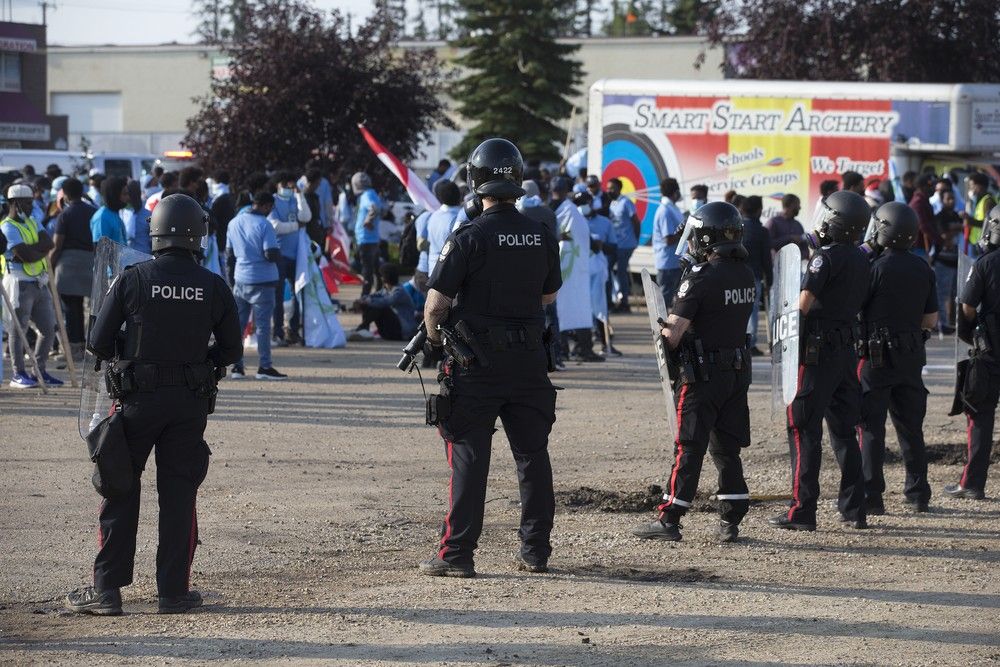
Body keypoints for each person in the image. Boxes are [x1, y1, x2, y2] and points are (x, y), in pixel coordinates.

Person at [65, 194, 242, 616]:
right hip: (189, 406)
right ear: (198, 234)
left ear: (156, 231)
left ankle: (107, 592)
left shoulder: (133, 278)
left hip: (135, 403)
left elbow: (97, 343)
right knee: (179, 497)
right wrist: (200, 366)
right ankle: (174, 593)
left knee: (119, 490)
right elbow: (232, 349)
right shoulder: (213, 285)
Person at [420, 138, 561, 577]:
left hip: (476, 366)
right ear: (516, 180)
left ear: (475, 181)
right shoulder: (540, 233)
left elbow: (436, 304)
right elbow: (549, 294)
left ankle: (457, 554)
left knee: (468, 456)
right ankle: (535, 550)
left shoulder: (469, 236)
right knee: (533, 455)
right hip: (529, 363)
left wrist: (437, 341)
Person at [632, 201, 755, 543]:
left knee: (689, 446)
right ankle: (731, 521)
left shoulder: (701, 278)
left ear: (707, 237)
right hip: (736, 372)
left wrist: (663, 334)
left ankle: (670, 517)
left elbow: (673, 333)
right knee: (727, 448)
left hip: (702, 377)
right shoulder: (745, 273)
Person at [770, 190, 872, 531]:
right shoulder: (862, 259)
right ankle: (854, 509)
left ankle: (802, 511)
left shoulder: (823, 259)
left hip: (817, 352)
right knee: (845, 432)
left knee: (803, 428)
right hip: (846, 351)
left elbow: (802, 305)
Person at [857, 202, 938, 514]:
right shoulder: (923, 268)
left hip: (875, 357)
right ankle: (918, 494)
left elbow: (857, 308)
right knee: (910, 428)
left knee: (871, 428)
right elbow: (930, 320)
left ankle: (872, 497)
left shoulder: (874, 268)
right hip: (911, 354)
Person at [946, 205, 1000, 500]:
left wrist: (971, 334)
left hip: (990, 353)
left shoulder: (985, 263)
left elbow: (966, 308)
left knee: (979, 417)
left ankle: (972, 483)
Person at [1, 184, 62, 388]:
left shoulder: (32, 221)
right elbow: (25, 256)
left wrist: (33, 252)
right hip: (19, 282)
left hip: (39, 281)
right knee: (18, 330)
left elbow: (49, 244)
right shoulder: (7, 226)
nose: (31, 206)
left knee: (48, 328)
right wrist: (36, 252)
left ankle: (39, 371)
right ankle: (18, 374)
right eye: (27, 202)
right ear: (15, 203)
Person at [226, 191, 287, 381]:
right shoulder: (265, 224)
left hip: (240, 279)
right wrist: (279, 254)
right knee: (262, 327)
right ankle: (264, 367)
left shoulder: (233, 222)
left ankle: (237, 366)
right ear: (267, 206)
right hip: (263, 280)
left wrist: (232, 280)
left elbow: (229, 255)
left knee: (239, 326)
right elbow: (270, 254)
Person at [551, 176, 601, 362]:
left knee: (563, 310)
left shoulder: (552, 210)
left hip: (563, 269)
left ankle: (567, 348)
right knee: (575, 307)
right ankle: (579, 348)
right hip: (571, 270)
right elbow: (582, 238)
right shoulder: (569, 212)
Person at [49, 177, 96, 361]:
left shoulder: (65, 215)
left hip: (67, 265)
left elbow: (57, 245)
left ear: (65, 194)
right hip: (88, 262)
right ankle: (86, 345)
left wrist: (50, 267)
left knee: (70, 307)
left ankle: (73, 349)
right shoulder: (93, 211)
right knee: (85, 309)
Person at [268, 171, 311, 346]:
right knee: (278, 296)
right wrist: (296, 226)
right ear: (278, 185)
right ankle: (277, 331)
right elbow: (275, 226)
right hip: (279, 255)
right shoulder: (272, 201)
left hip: (296, 256)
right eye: (285, 185)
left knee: (297, 294)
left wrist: (300, 196)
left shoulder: (295, 199)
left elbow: (306, 217)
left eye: (290, 185)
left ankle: (293, 330)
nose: (288, 188)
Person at [577, 190, 617, 355]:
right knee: (581, 309)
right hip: (578, 273)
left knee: (601, 306)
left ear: (591, 203)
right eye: (579, 204)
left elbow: (613, 247)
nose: (582, 207)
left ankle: (605, 343)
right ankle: (582, 347)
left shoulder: (604, 222)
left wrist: (600, 245)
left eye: (584, 203)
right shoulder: (572, 221)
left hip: (598, 271)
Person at [349, 263, 416, 342]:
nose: (380, 278)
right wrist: (362, 300)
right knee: (369, 303)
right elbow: (373, 296)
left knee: (380, 306)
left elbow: (387, 301)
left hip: (402, 332)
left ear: (385, 277)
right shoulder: (386, 290)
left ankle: (362, 328)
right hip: (389, 331)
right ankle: (364, 329)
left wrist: (368, 301)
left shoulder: (399, 291)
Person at [740, 196, 772, 356]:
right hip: (754, 276)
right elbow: (766, 258)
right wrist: (770, 280)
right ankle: (750, 343)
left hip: (735, 275)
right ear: (759, 210)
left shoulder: (737, 227)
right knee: (752, 310)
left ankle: (737, 340)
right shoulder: (762, 231)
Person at [607, 178, 640, 312]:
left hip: (626, 244)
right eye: (608, 188)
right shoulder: (612, 203)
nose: (609, 190)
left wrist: (635, 240)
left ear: (619, 189)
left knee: (621, 271)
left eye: (612, 188)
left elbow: (636, 222)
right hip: (614, 243)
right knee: (607, 268)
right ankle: (610, 300)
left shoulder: (626, 202)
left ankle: (624, 302)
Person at [651, 177, 684, 308]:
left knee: (675, 300)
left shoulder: (672, 208)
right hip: (667, 263)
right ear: (675, 192)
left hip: (675, 261)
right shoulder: (665, 210)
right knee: (664, 302)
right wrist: (685, 233)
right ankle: (660, 328)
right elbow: (668, 239)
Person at [932, 189, 962, 333]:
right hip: (943, 261)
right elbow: (943, 235)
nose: (951, 201)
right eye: (948, 198)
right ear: (942, 200)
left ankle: (951, 322)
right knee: (942, 294)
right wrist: (956, 228)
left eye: (952, 198)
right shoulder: (940, 217)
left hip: (957, 260)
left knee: (956, 294)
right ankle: (941, 324)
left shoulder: (956, 215)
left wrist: (955, 228)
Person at [352, 171, 382, 297]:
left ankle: (365, 295)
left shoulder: (366, 196)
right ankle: (378, 292)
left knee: (367, 270)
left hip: (366, 239)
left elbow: (373, 208)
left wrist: (368, 220)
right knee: (374, 269)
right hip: (372, 238)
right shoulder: (372, 193)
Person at [425, 179, 463, 280]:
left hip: (433, 271)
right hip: (449, 273)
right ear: (459, 196)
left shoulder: (433, 216)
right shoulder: (459, 218)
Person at [765, 194, 808, 259]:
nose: (799, 207)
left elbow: (805, 247)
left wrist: (802, 256)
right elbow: (767, 244)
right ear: (790, 205)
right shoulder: (773, 222)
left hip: (796, 266)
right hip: (778, 265)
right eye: (797, 204)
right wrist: (789, 238)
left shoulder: (798, 225)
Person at [909, 173, 941, 257]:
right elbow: (923, 226)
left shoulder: (924, 200)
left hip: (923, 247)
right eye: (931, 185)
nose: (934, 188)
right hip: (919, 247)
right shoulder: (918, 202)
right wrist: (938, 239)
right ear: (923, 187)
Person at [963, 172, 996, 253]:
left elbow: (990, 225)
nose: (971, 188)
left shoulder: (988, 202)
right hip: (977, 243)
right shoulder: (981, 200)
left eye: (972, 185)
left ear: (980, 186)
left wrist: (971, 221)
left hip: (982, 245)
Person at [90, 177, 128, 244]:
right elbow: (100, 250)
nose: (128, 197)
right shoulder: (102, 218)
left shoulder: (114, 214)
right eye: (124, 194)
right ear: (114, 195)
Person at [121, 179, 152, 255]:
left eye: (128, 194)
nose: (127, 198)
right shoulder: (121, 213)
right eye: (124, 194)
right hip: (126, 260)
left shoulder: (148, 215)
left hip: (144, 259)